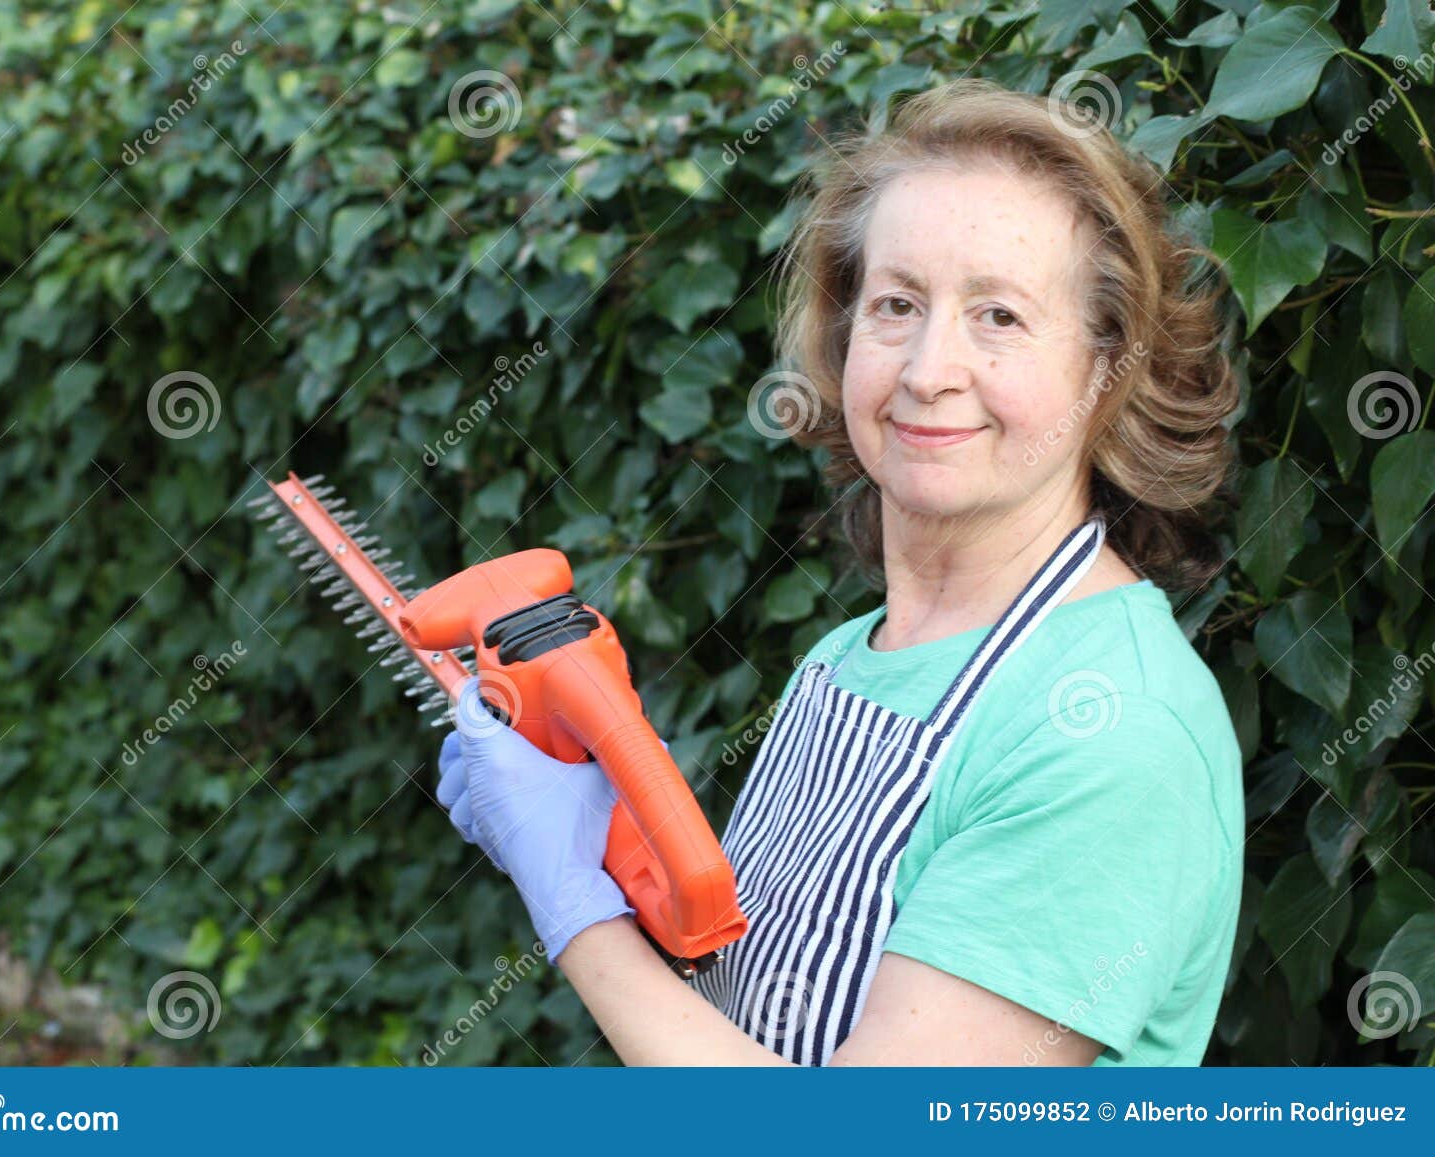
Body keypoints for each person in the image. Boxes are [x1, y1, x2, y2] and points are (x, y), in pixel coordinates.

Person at [436, 77, 1245, 1066]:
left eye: (999, 316)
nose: (927, 371)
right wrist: (601, 840)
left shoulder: (1109, 729)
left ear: (1105, 367)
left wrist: (572, 904)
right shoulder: (847, 658)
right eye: (896, 305)